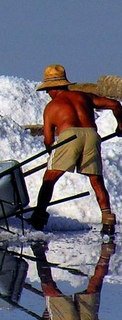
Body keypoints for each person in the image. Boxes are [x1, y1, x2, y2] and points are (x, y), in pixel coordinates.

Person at [29, 64, 122, 234]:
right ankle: (108, 220)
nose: (48, 94)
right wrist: (121, 125)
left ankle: (38, 218)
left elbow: (49, 139)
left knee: (49, 178)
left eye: (47, 91)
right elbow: (116, 104)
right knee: (96, 181)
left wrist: (52, 154)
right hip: (91, 135)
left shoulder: (51, 107)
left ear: (53, 88)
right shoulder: (84, 96)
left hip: (69, 136)